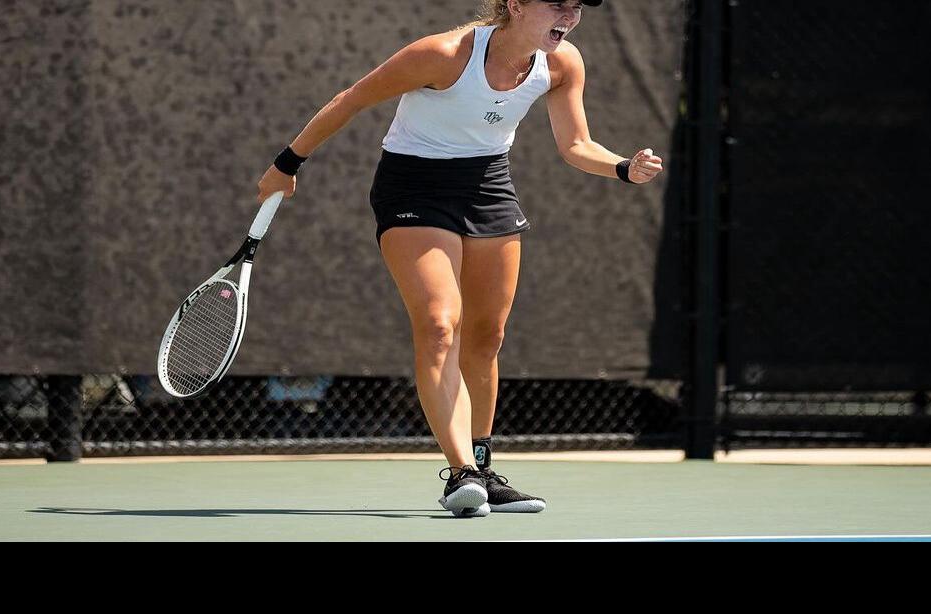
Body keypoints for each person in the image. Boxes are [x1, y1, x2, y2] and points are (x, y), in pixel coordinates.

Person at [257, 0, 664, 517]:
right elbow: (352, 99)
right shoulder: (443, 54)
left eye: (577, 7)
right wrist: (286, 165)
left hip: (488, 186)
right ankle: (461, 475)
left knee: (486, 336)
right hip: (414, 187)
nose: (570, 16)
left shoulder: (562, 64)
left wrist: (625, 167)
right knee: (439, 324)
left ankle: (484, 467)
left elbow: (577, 144)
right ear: (515, 5)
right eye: (557, 4)